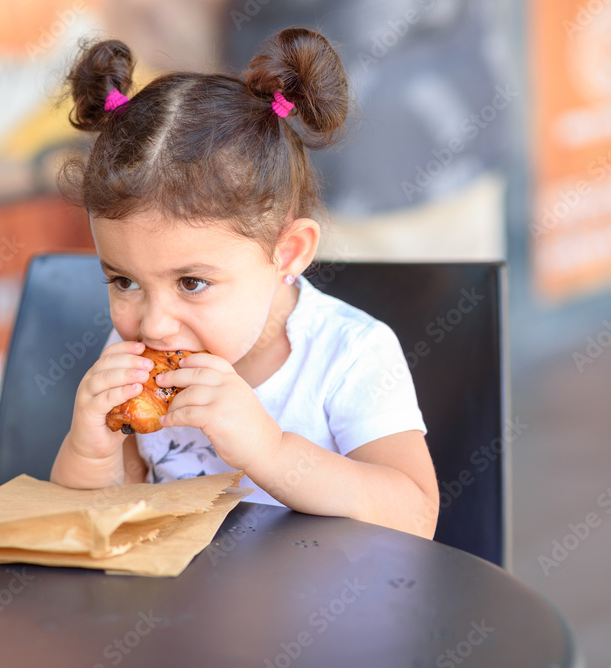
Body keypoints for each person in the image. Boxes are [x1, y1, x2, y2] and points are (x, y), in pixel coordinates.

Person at [48, 29, 438, 538]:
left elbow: (414, 514)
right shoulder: (134, 349)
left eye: (190, 283)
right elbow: (90, 524)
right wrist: (89, 448)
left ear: (288, 253)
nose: (154, 323)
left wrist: (269, 450)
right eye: (124, 281)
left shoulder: (350, 354)